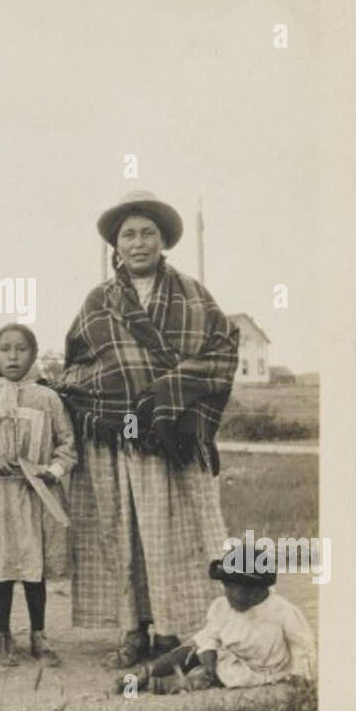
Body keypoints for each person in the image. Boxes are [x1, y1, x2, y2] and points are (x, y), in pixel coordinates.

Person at [58, 189, 239, 668]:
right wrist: (116, 392)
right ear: (115, 246)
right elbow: (77, 366)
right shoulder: (98, 301)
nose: (138, 243)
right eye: (128, 235)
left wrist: (165, 392)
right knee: (124, 532)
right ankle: (133, 631)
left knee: (175, 535)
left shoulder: (194, 295)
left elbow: (221, 355)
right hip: (120, 440)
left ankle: (176, 631)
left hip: (172, 439)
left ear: (163, 242)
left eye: (147, 234)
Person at [0, 324, 76, 667]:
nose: (13, 356)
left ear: (34, 353)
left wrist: (51, 471)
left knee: (34, 567)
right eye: (5, 349)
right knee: (2, 568)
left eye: (21, 349)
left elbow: (68, 447)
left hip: (36, 498)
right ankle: (2, 635)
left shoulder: (49, 398)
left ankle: (39, 635)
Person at [130, 555, 316, 694]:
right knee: (190, 650)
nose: (227, 593)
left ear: (258, 589)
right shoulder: (222, 607)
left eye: (233, 588)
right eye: (225, 587)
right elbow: (210, 634)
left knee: (220, 675)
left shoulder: (283, 612)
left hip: (257, 669)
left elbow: (302, 645)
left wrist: (300, 674)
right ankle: (147, 673)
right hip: (225, 654)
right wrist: (209, 651)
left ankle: (181, 684)